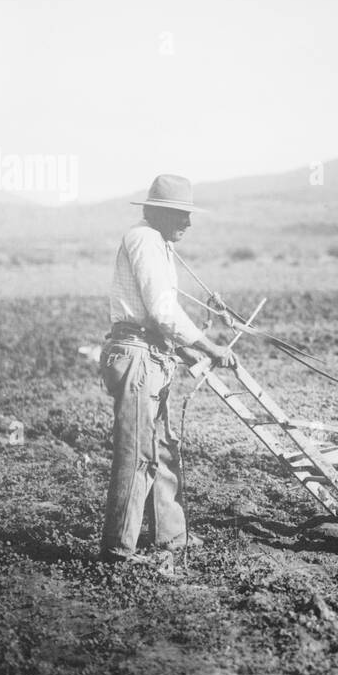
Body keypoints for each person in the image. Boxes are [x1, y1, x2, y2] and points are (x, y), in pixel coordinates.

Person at [98, 174, 237, 565]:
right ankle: (118, 551)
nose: (188, 223)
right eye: (181, 215)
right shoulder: (144, 240)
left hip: (153, 354)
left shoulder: (158, 243)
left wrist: (190, 353)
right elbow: (162, 311)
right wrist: (209, 347)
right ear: (157, 212)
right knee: (137, 454)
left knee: (161, 448)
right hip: (137, 356)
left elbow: (161, 318)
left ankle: (171, 536)